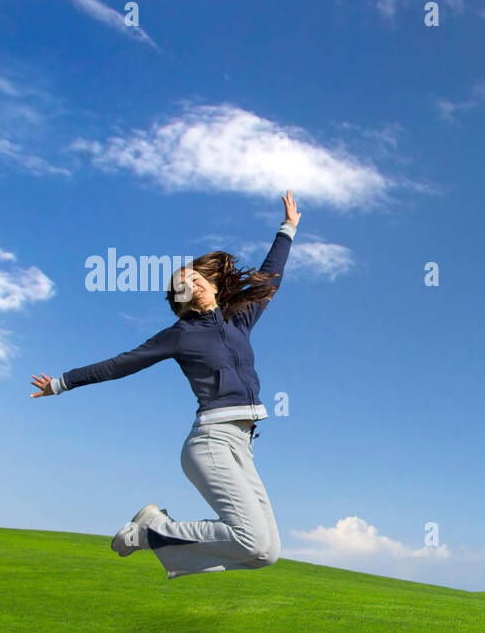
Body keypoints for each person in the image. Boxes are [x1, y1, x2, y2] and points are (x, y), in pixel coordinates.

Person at [30, 190, 302, 580]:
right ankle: (153, 529)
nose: (192, 280)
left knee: (266, 552)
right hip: (211, 442)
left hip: (243, 445)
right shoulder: (179, 335)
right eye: (183, 281)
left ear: (210, 283)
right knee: (253, 540)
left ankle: (153, 535)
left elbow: (269, 277)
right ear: (182, 298)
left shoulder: (239, 320)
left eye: (196, 275)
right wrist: (61, 383)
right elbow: (120, 364)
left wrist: (288, 228)